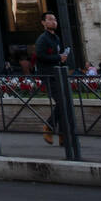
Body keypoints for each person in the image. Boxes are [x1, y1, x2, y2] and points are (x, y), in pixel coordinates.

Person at [34, 11, 70, 145]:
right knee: (62, 103)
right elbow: (40, 56)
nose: (54, 21)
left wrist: (62, 58)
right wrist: (58, 57)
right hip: (48, 75)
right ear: (43, 23)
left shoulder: (56, 38)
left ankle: (63, 136)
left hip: (58, 73)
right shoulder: (42, 39)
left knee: (65, 103)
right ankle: (48, 126)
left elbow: (56, 55)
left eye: (55, 19)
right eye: (50, 19)